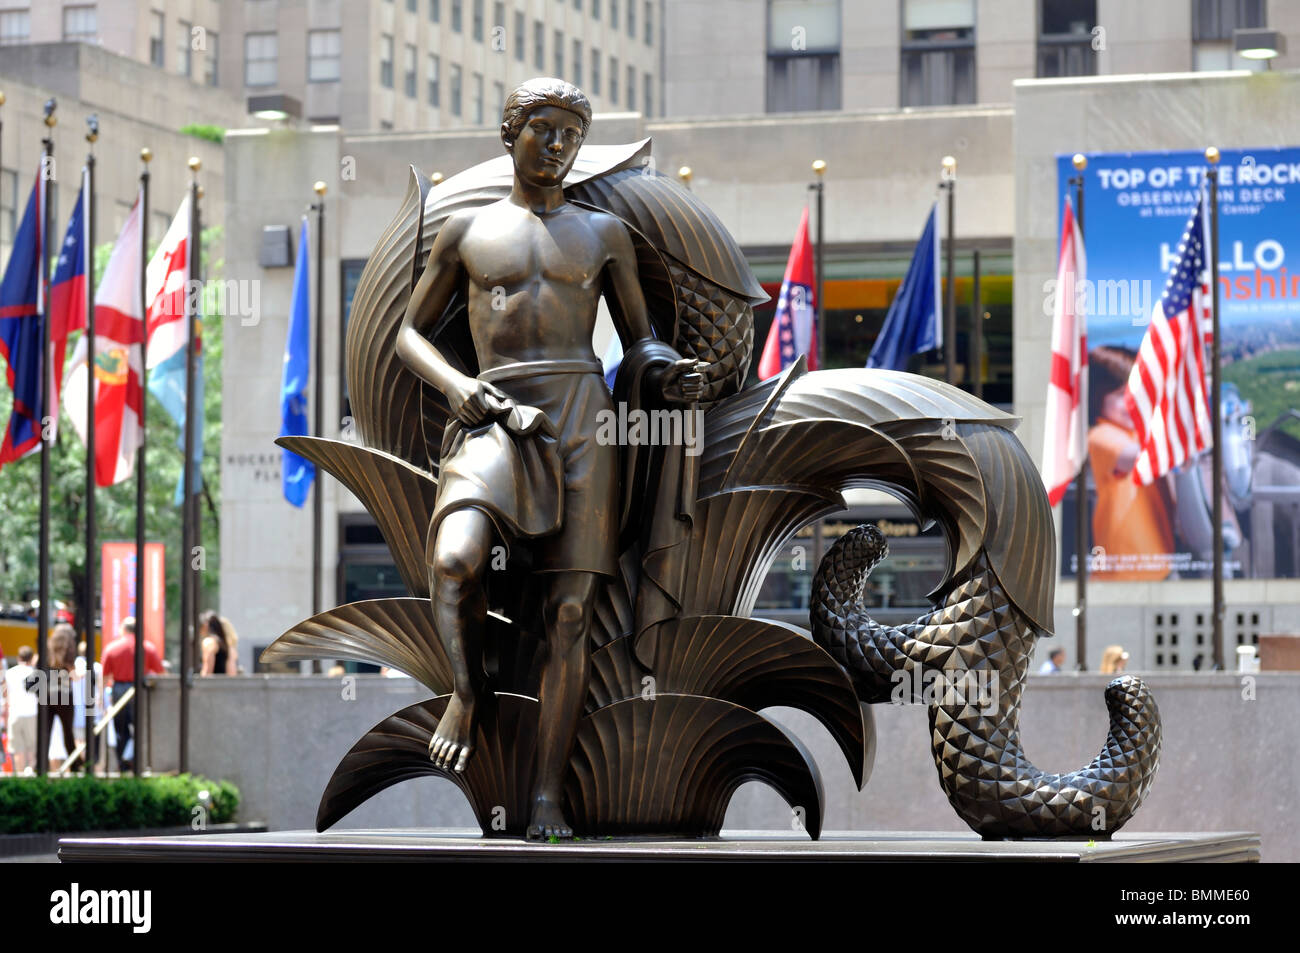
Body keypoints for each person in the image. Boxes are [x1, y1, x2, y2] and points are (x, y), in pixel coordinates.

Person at [397, 77, 703, 840]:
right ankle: (468, 691)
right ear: (512, 132)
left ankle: (545, 795)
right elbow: (407, 335)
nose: (559, 143)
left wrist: (666, 373)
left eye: (572, 132)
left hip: (582, 421)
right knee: (458, 560)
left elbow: (640, 338)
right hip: (495, 417)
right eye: (544, 127)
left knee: (570, 613)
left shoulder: (604, 235)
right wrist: (462, 386)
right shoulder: (466, 231)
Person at [1086, 346, 1174, 581]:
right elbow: (1133, 456)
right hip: (1123, 567)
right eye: (1120, 395)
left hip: (1155, 561)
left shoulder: (1136, 433)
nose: (1131, 403)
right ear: (1096, 396)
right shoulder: (1101, 435)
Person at [101, 617, 165, 773]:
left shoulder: (112, 648)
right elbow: (161, 672)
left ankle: (123, 764)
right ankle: (136, 761)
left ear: (123, 629)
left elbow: (104, 676)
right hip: (139, 690)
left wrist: (100, 698)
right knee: (141, 727)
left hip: (119, 689)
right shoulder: (147, 647)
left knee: (120, 730)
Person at [42, 623, 80, 771]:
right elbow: (74, 675)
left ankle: (41, 765)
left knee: (46, 732)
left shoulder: (47, 647)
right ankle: (75, 766)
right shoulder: (69, 649)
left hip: (47, 693)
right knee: (67, 732)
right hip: (63, 692)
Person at [2, 646, 39, 774]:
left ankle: (20, 775)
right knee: (31, 747)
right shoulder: (35, 672)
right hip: (32, 713)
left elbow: (6, 695)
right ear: (31, 658)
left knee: (18, 749)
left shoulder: (10, 673)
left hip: (15, 713)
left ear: (18, 658)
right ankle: (30, 773)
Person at [199, 611, 239, 676]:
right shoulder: (226, 645)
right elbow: (232, 673)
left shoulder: (209, 642)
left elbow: (207, 671)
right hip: (223, 684)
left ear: (205, 625)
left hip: (212, 684)